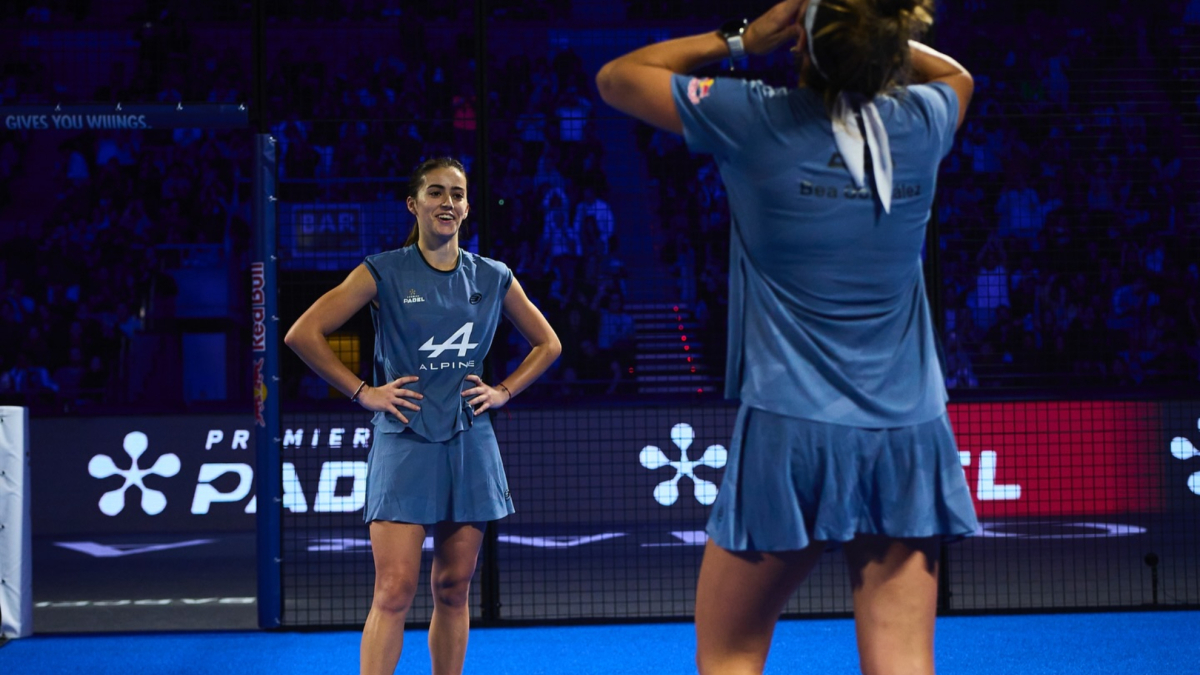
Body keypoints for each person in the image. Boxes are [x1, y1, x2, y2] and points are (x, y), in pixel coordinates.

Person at [596, 1, 978, 674]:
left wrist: (741, 40)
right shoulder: (922, 122)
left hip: (791, 430)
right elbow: (958, 76)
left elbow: (618, 78)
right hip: (908, 434)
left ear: (800, 45)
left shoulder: (756, 117)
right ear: (888, 47)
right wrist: (866, 34)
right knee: (901, 658)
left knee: (731, 652)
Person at [284, 157, 561, 675]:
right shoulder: (382, 270)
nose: (447, 203)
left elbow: (549, 344)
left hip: (470, 438)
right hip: (404, 436)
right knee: (394, 590)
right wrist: (363, 392)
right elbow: (303, 333)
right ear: (413, 205)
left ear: (467, 207)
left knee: (453, 587)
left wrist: (503, 391)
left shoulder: (493, 275)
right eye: (436, 193)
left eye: (457, 194)